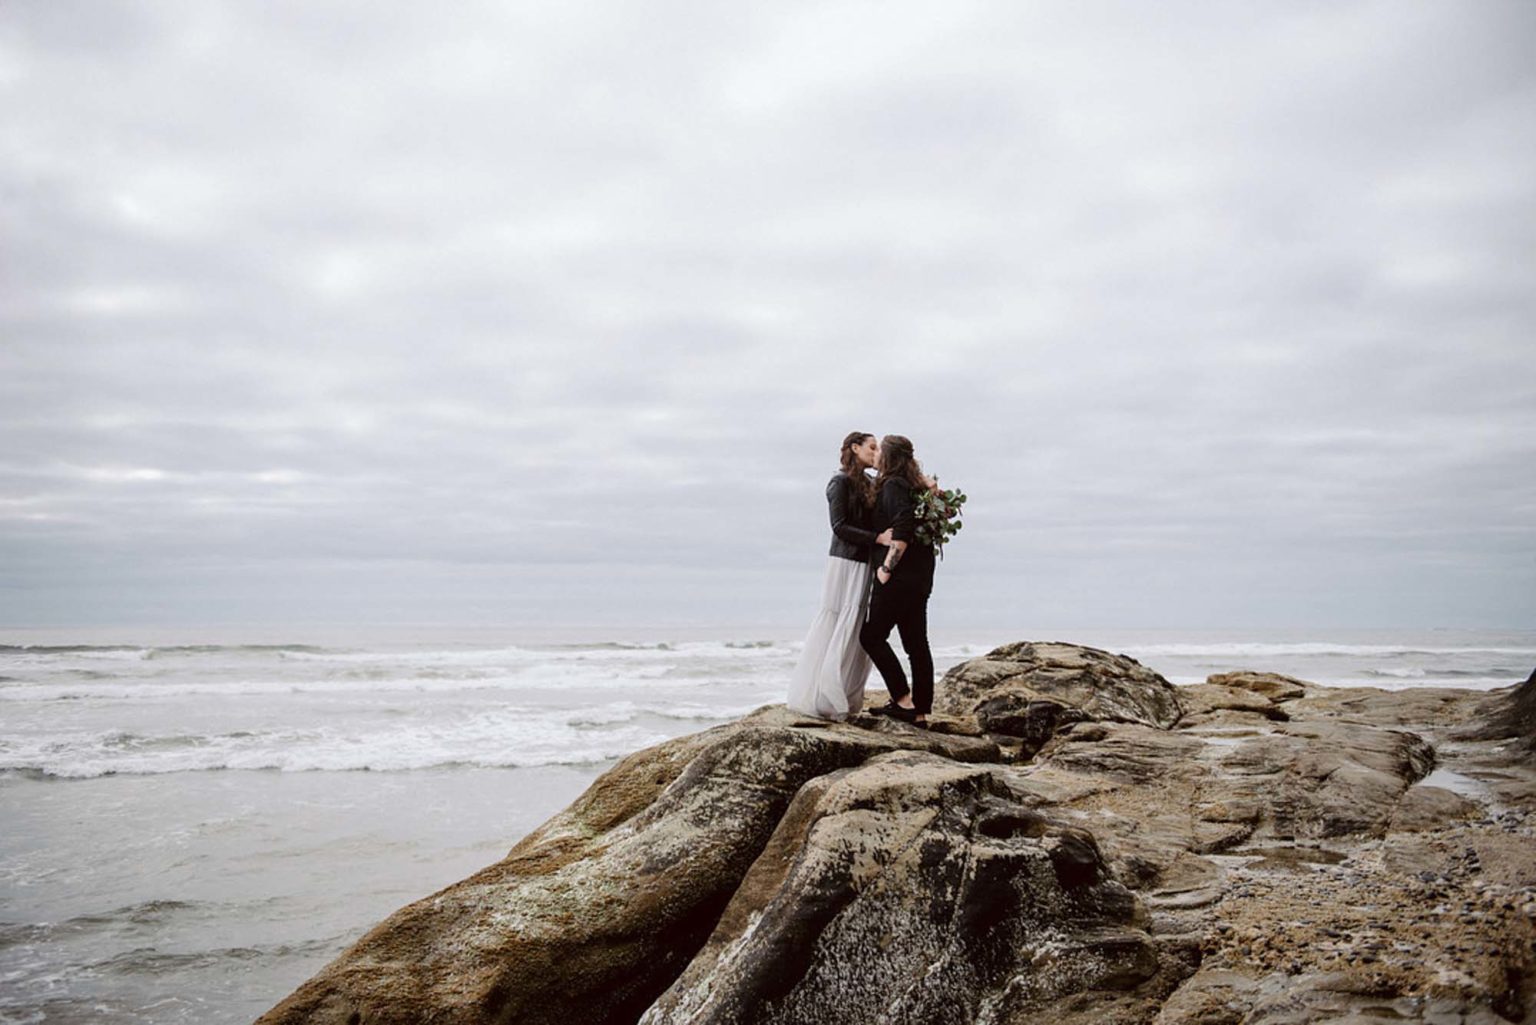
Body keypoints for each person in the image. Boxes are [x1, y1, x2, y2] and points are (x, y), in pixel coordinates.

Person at [786, 432, 888, 720]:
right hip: (845, 562)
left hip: (866, 561)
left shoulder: (871, 482)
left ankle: (844, 693)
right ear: (854, 448)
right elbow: (839, 526)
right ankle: (823, 695)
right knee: (838, 620)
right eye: (872, 447)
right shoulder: (839, 481)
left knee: (855, 625)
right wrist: (877, 538)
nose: (876, 451)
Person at [860, 434, 937, 728]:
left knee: (871, 636)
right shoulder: (917, 487)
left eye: (880, 449)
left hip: (899, 577)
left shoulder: (893, 485)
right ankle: (920, 712)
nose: (876, 454)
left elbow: (902, 529)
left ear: (889, 458)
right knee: (916, 642)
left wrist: (886, 569)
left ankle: (904, 701)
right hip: (921, 576)